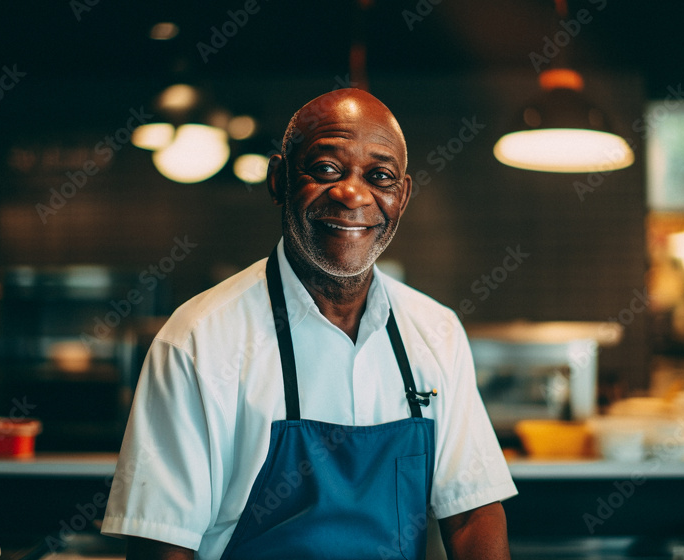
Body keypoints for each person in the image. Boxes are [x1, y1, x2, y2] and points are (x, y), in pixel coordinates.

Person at [101, 88, 517, 560]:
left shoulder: (436, 330)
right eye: (326, 170)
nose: (352, 194)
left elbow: (471, 514)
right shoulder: (197, 339)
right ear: (278, 179)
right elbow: (162, 544)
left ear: (401, 197)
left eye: (379, 176)